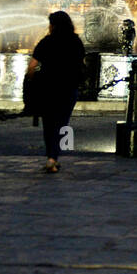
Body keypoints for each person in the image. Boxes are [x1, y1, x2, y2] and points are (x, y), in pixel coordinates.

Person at [26, 11, 85, 174]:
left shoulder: (46, 41)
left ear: (53, 25)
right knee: (61, 123)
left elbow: (32, 66)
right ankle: (53, 157)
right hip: (68, 87)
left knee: (48, 123)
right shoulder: (75, 41)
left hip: (47, 87)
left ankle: (50, 157)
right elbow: (81, 63)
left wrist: (32, 79)